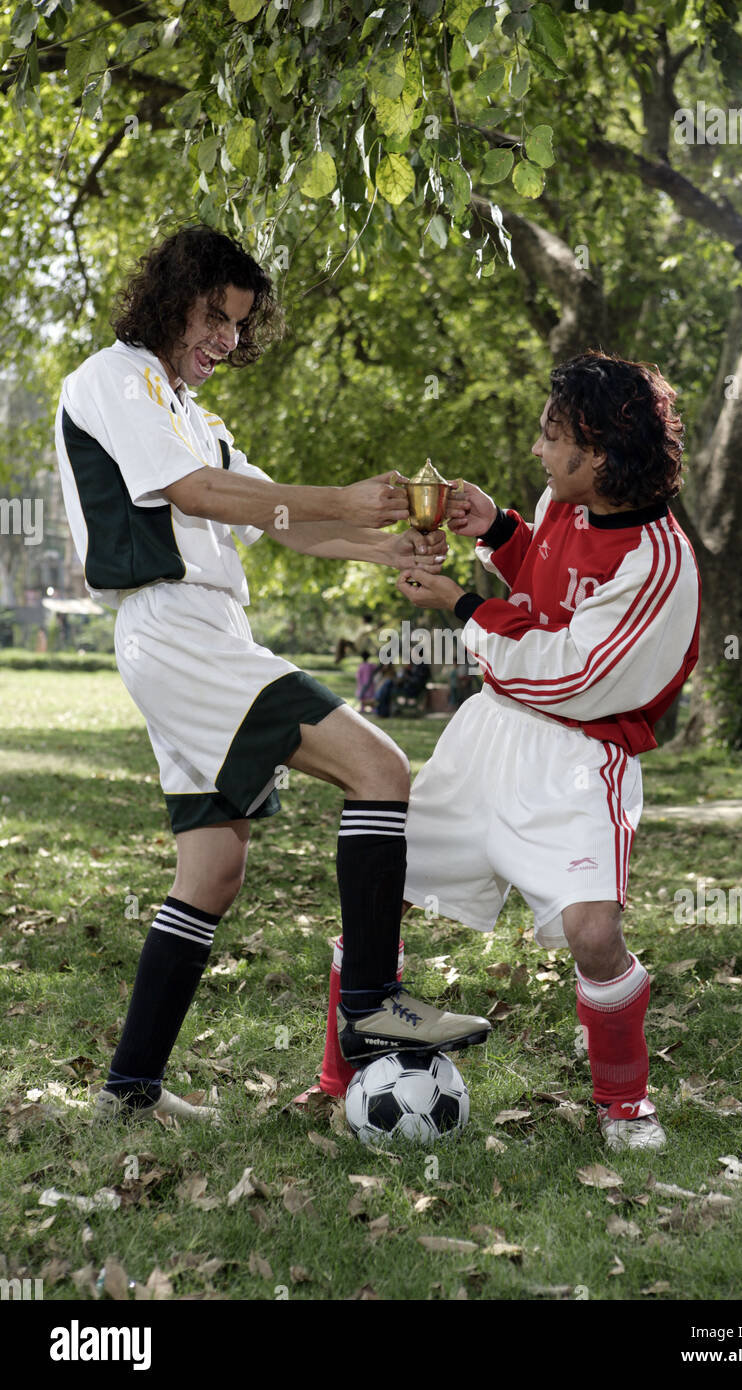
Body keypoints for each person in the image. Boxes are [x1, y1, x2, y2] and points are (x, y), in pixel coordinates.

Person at [53, 224, 490, 1125]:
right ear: (170, 298)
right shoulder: (114, 376)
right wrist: (343, 498)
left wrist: (387, 543)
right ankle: (373, 1001)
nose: (226, 339)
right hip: (177, 631)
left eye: (239, 325)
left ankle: (130, 1091)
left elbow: (282, 520)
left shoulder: (199, 417)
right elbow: (195, 494)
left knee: (211, 869)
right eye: (214, 316)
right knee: (380, 768)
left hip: (203, 630)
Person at [309, 351, 700, 1153]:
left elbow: (576, 673)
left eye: (551, 437)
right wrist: (498, 529)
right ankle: (338, 1077)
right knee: (383, 889)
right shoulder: (570, 503)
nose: (537, 451)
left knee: (593, 935)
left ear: (597, 452)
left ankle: (625, 1106)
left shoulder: (660, 563)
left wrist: (462, 606)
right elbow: (548, 586)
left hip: (578, 759)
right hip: (489, 735)